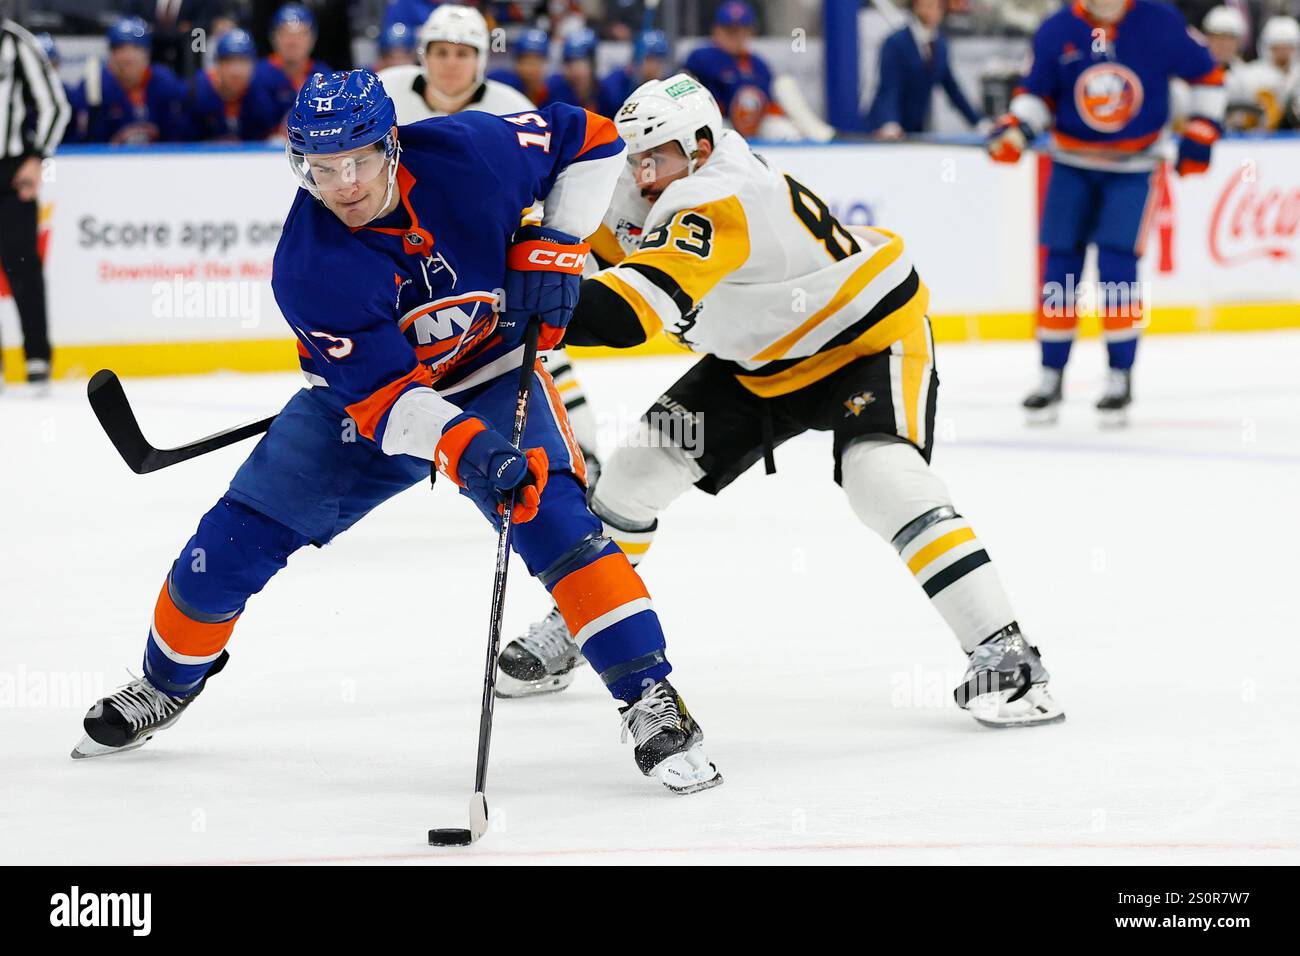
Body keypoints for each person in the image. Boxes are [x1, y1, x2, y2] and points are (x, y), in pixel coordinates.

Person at [71, 69, 723, 796]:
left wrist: (560, 241)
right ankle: (165, 683)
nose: (343, 184)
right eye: (322, 168)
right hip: (357, 411)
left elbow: (593, 139)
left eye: (358, 161)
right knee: (225, 549)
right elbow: (391, 403)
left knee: (560, 525)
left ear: (392, 145)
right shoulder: (309, 267)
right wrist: (467, 447)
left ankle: (649, 697)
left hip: (490, 368)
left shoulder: (471, 151)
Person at [496, 74, 1066, 731]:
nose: (640, 172)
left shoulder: (720, 196)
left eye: (656, 156)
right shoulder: (642, 176)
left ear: (703, 147)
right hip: (759, 361)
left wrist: (515, 299)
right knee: (634, 474)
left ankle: (1007, 651)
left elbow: (627, 317)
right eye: (633, 156)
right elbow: (572, 232)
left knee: (882, 478)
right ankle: (579, 621)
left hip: (863, 341)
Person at [988, 0, 1225, 424]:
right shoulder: (1056, 28)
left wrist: (1203, 129)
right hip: (1070, 167)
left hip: (1132, 170)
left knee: (1117, 268)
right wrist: (1017, 128)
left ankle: (1119, 375)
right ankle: (1051, 373)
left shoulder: (1160, 22)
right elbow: (1036, 94)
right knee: (1059, 269)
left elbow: (1207, 73)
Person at [0, 16, 70, 393]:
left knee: (23, 266)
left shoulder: (14, 41)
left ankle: (37, 359)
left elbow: (56, 106)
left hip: (10, 172)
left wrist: (36, 157)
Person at [380, 4, 533, 120]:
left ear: (480, 61)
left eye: (462, 54)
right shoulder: (385, 91)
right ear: (424, 57)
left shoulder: (514, 112)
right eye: (441, 53)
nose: (451, 64)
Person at [864, 0, 983, 139]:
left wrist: (979, 123)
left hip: (916, 130)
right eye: (927, 5)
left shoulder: (940, 45)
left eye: (938, 6)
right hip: (886, 131)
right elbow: (889, 89)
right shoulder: (895, 43)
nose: (933, 11)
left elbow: (953, 90)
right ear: (916, 6)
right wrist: (889, 123)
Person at [68, 16, 191, 144]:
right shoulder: (95, 86)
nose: (128, 57)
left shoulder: (165, 82)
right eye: (120, 49)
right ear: (111, 55)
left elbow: (180, 136)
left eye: (136, 48)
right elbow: (84, 141)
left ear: (147, 54)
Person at [682, 1, 782, 138]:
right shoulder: (701, 59)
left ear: (750, 32)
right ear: (717, 30)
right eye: (731, 30)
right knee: (716, 130)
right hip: (719, 121)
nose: (737, 36)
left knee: (782, 129)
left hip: (756, 125)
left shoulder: (759, 65)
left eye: (742, 30)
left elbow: (770, 105)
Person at [185, 28, 283, 141]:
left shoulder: (261, 94)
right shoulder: (195, 92)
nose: (236, 71)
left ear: (253, 66)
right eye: (229, 61)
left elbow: (267, 135)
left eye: (243, 61)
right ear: (218, 65)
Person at [254, 3, 332, 125]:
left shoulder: (324, 76)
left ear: (313, 38)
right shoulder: (257, 76)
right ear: (274, 37)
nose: (293, 41)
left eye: (301, 34)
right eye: (286, 34)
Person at [1236, 15, 1300, 130]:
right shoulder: (1251, 74)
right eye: (1277, 47)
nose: (1283, 52)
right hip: (1260, 138)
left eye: (1287, 46)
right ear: (1266, 47)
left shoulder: (1297, 74)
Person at [597, 28, 670, 118]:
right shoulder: (613, 86)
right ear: (637, 58)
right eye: (651, 59)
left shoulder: (663, 86)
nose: (657, 66)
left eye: (660, 60)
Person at [486, 26, 551, 106]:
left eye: (536, 61)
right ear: (517, 62)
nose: (530, 69)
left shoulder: (552, 89)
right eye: (526, 61)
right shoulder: (501, 81)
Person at [546, 26, 601, 113]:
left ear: (593, 65)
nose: (575, 72)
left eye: (580, 64)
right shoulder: (554, 90)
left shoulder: (606, 93)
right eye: (569, 64)